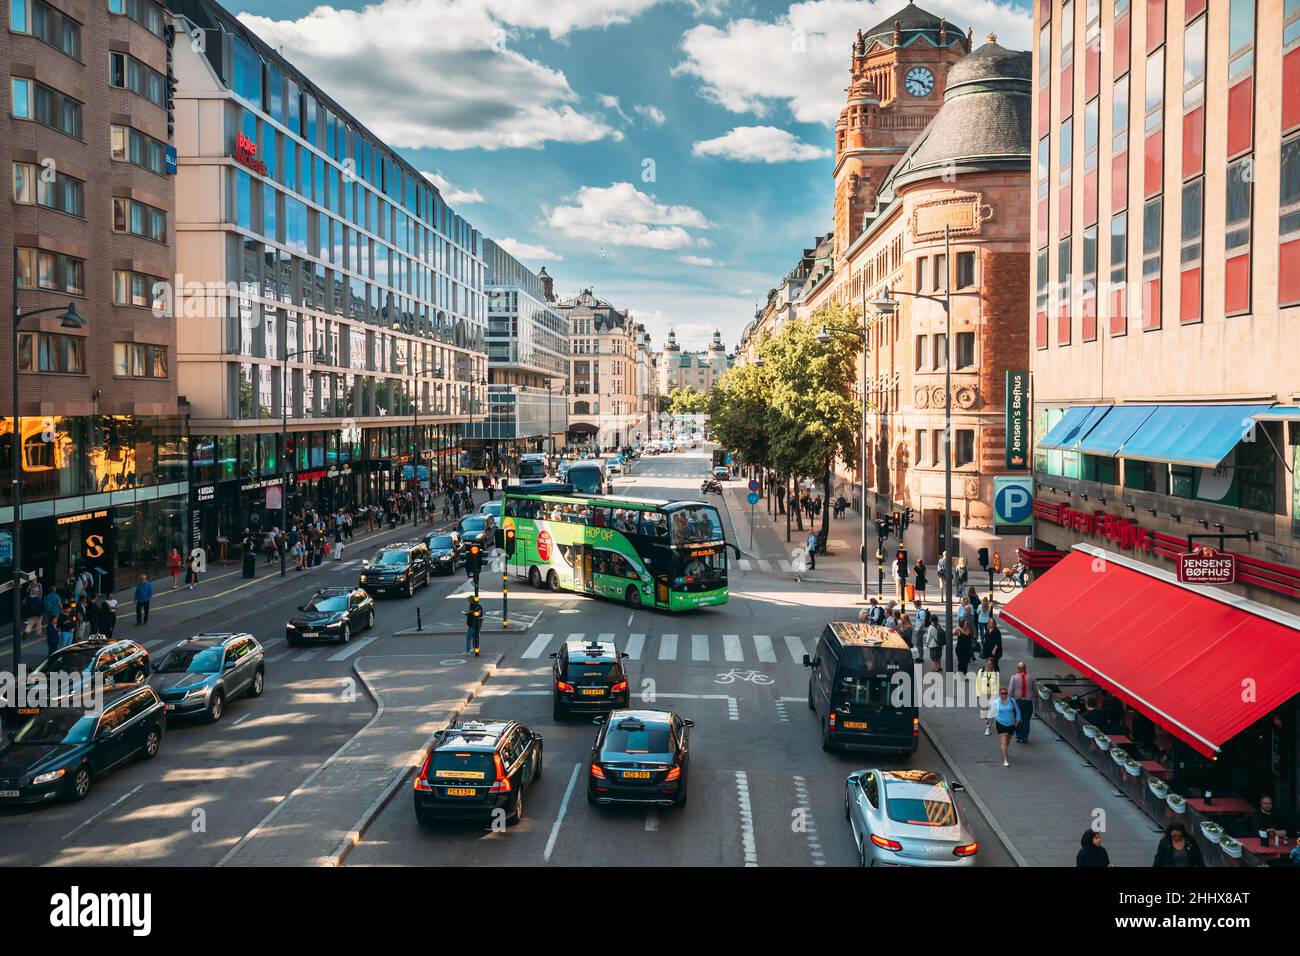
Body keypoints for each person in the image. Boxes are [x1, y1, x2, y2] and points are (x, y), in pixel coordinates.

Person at [987, 687, 1020, 767]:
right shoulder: (996, 702)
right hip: (1000, 723)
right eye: (1002, 693)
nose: (1004, 695)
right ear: (999, 694)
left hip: (1011, 724)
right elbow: (992, 712)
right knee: (1003, 741)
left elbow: (1018, 711)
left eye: (1005, 693)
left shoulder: (1012, 701)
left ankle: (1005, 750)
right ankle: (1005, 759)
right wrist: (988, 720)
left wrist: (1018, 721)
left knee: (1007, 741)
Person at [1007, 661, 1034, 743]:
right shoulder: (1030, 677)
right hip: (1028, 702)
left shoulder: (1014, 677)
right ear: (1025, 668)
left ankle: (1019, 736)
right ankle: (1025, 736)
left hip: (1017, 702)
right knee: (1026, 719)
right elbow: (1034, 689)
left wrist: (1008, 700)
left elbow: (1011, 690)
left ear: (1018, 669)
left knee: (1018, 718)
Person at [976, 658, 1000, 733]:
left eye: (990, 664)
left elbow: (998, 685)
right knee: (984, 711)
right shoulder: (981, 672)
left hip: (993, 694)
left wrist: (998, 696)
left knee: (992, 710)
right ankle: (988, 722)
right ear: (986, 664)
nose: (989, 665)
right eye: (988, 664)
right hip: (983, 693)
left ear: (993, 665)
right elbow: (978, 683)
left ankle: (987, 726)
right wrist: (978, 693)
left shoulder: (996, 673)